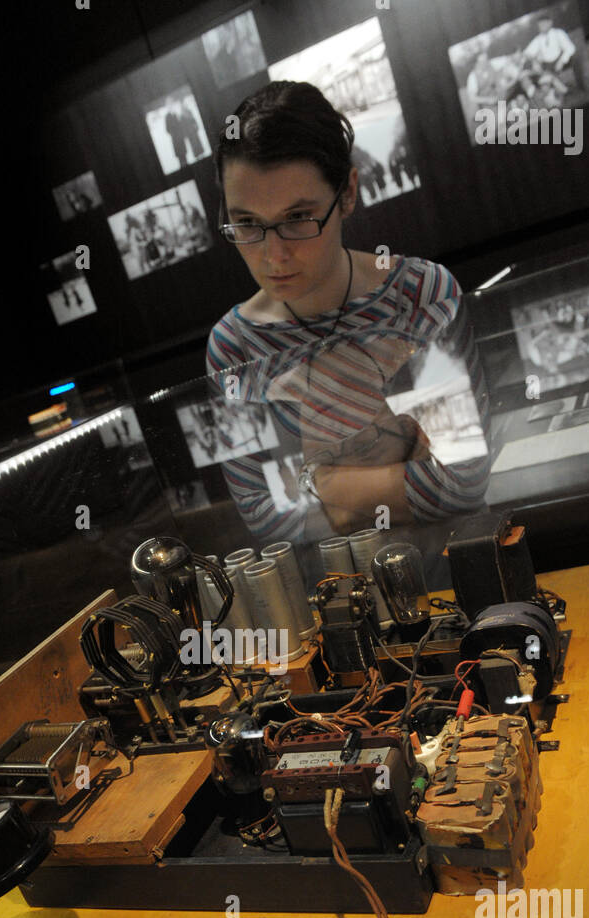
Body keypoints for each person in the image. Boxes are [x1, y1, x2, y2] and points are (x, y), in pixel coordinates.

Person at [204, 80, 490, 571]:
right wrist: (401, 476)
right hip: (340, 592)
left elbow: (463, 480)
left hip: (459, 562)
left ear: (349, 192)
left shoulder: (420, 295)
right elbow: (271, 523)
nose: (274, 255)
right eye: (247, 223)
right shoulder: (233, 347)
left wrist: (323, 482)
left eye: (298, 217)